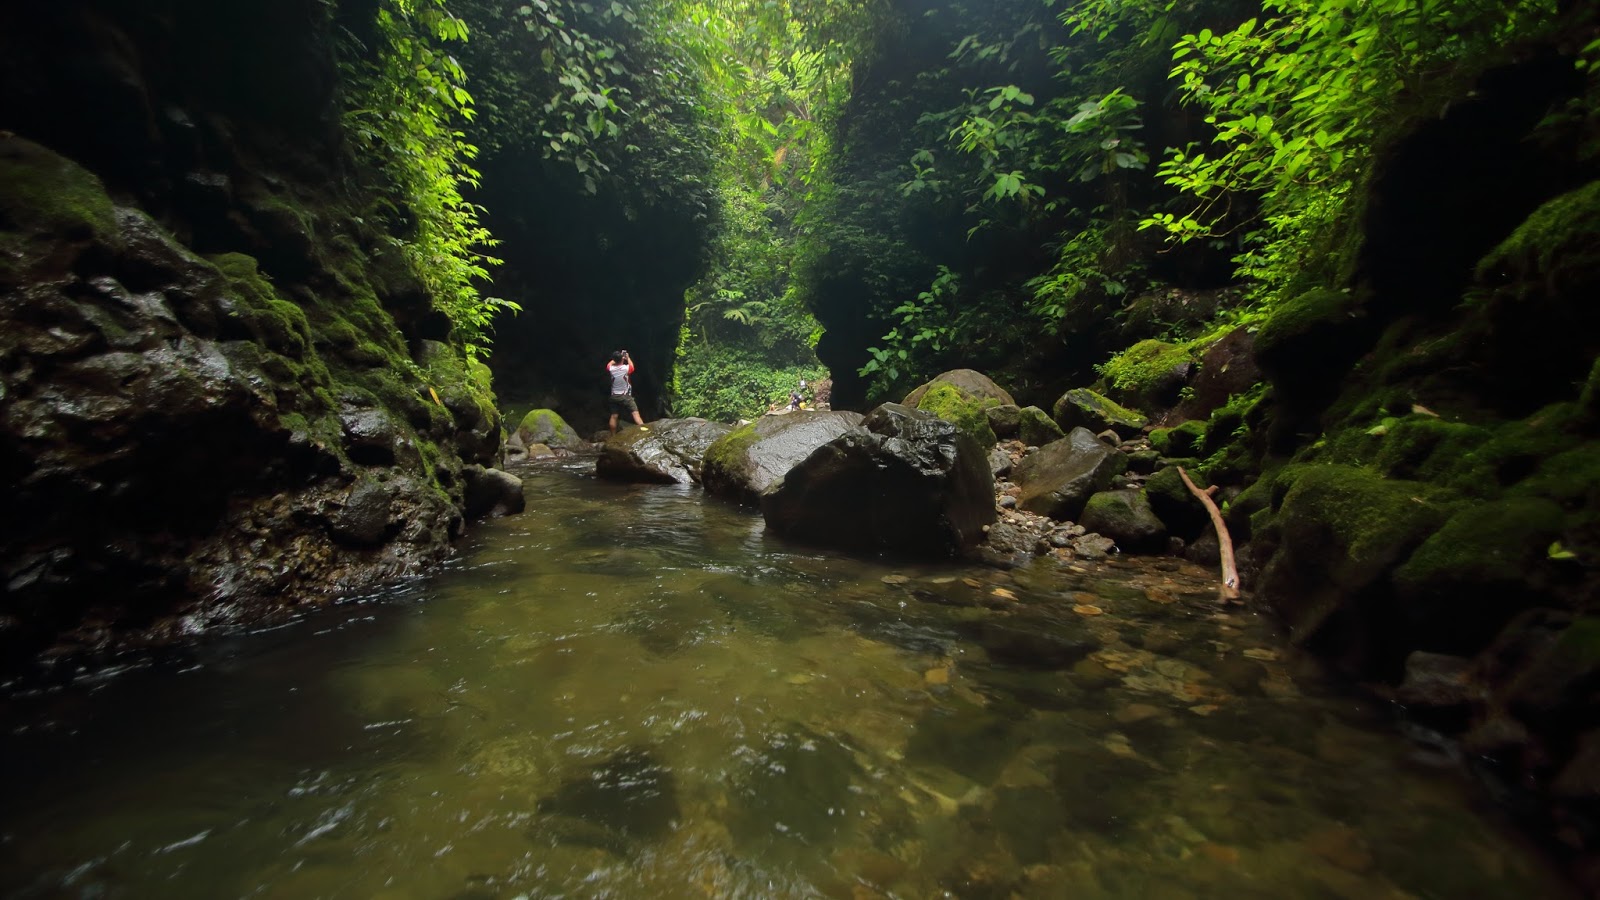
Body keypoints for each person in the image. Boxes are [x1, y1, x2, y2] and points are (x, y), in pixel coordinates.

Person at [605, 349, 647, 434]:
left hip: (614, 396)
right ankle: (644, 431)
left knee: (614, 416)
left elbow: (609, 364)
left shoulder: (611, 369)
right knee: (635, 413)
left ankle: (613, 435)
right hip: (626, 396)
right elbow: (632, 366)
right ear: (622, 359)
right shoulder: (625, 368)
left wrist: (617, 358)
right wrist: (627, 358)